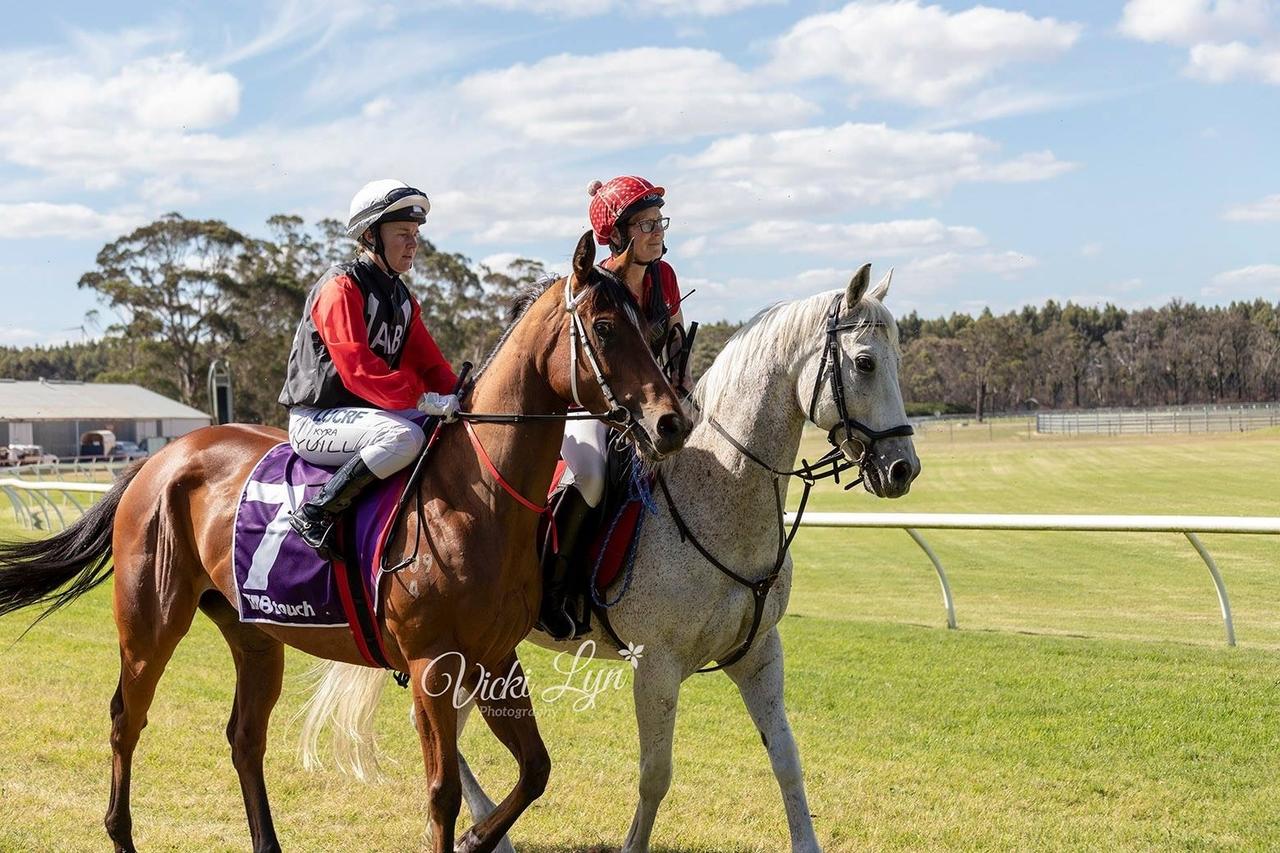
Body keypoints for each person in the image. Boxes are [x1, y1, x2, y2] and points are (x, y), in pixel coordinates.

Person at [538, 175, 692, 639]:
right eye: (646, 224)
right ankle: (554, 592)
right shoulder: (600, 283)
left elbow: (676, 339)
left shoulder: (664, 276)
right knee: (591, 475)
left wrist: (683, 382)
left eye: (659, 221)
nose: (657, 231)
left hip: (651, 403)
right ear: (619, 234)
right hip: (594, 406)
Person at [279, 179, 460, 555]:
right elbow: (358, 371)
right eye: (402, 234)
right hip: (316, 419)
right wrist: (423, 400)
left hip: (364, 418)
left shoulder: (404, 300)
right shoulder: (340, 288)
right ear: (369, 235)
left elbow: (433, 367)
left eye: (415, 234)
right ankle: (316, 512)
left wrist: (466, 397)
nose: (413, 243)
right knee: (405, 438)